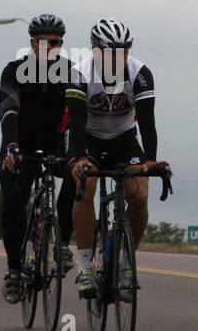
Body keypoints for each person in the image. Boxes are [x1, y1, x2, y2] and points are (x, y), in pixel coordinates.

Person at [70, 18, 163, 298]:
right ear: (95, 51)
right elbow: (75, 121)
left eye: (123, 51)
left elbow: (147, 123)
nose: (117, 58)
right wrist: (77, 159)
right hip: (88, 138)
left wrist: (149, 160)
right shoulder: (80, 73)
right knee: (85, 188)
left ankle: (123, 260)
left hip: (124, 138)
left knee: (140, 195)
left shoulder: (139, 73)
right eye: (111, 52)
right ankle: (85, 267)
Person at [0, 13, 87, 303]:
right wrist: (11, 145)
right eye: (42, 41)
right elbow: (8, 109)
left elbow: (76, 117)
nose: (49, 46)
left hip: (55, 142)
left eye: (56, 42)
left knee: (79, 171)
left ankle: (61, 241)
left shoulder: (72, 73)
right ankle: (13, 269)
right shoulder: (14, 71)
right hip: (19, 143)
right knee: (12, 202)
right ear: (32, 43)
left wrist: (76, 155)